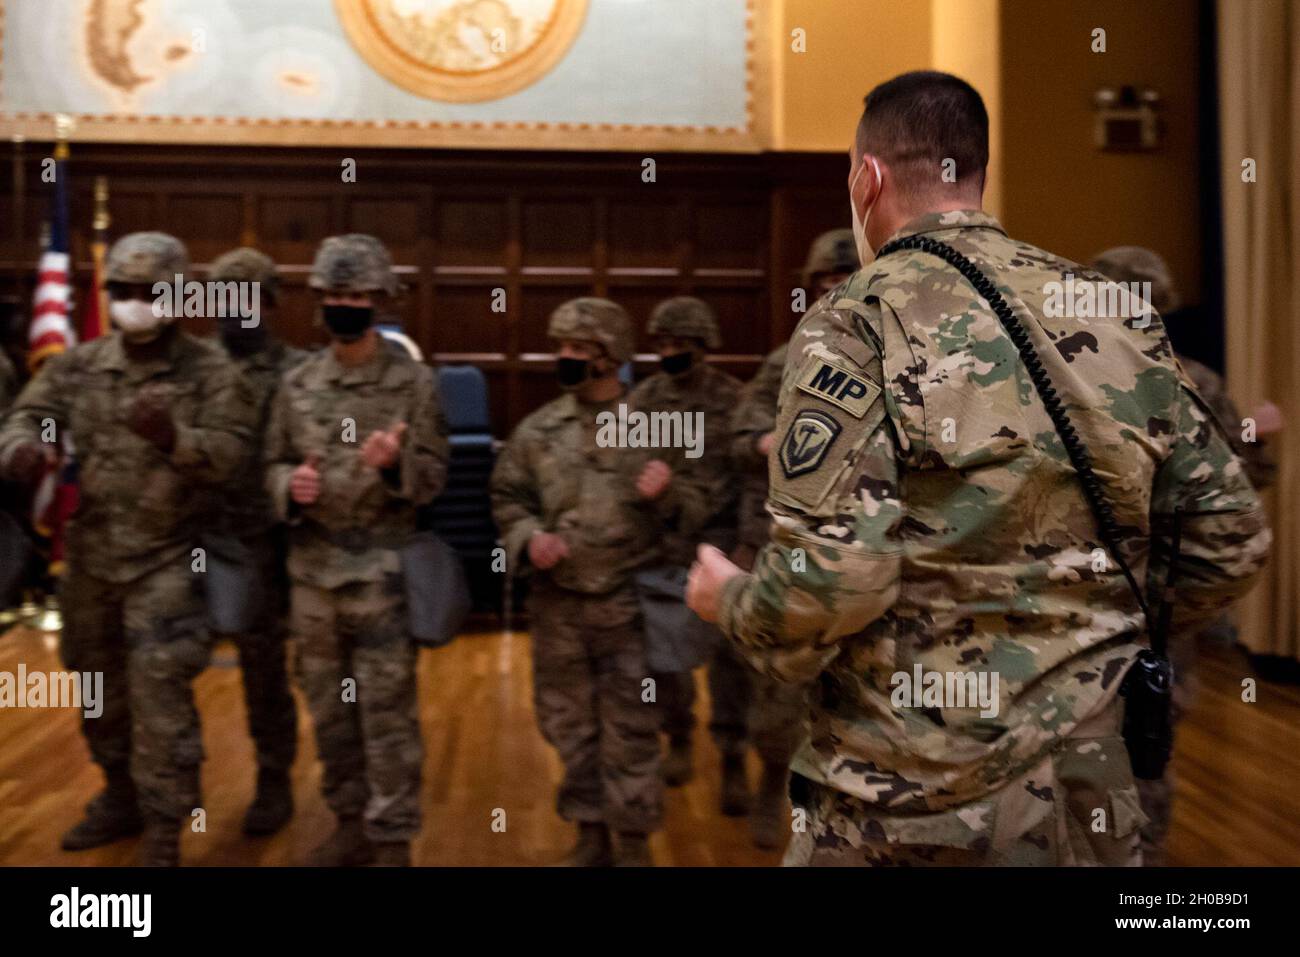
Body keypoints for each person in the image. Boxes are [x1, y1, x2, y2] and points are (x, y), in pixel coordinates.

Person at [687, 70, 1272, 866]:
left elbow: (832, 580)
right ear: (978, 173)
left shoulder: (856, 320)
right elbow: (1229, 539)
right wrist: (1096, 633)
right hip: (1087, 778)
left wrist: (731, 601)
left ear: (868, 178)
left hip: (910, 791)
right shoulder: (1115, 313)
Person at [0, 232, 256, 866]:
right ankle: (118, 795)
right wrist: (25, 450)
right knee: (94, 689)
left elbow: (231, 460)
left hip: (170, 560)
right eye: (123, 291)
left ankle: (166, 829)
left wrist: (174, 438)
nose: (135, 302)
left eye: (150, 292)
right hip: (91, 561)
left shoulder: (212, 372)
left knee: (161, 700)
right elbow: (31, 417)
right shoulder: (80, 365)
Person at [1090, 245, 1281, 865]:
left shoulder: (1060, 377)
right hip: (1154, 605)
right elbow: (1243, 489)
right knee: (1146, 744)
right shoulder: (1195, 380)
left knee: (1110, 746)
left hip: (1091, 603)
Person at [491, 297, 697, 866]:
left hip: (631, 606)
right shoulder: (537, 430)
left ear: (611, 357)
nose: (565, 358)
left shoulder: (658, 427)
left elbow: (700, 512)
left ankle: (632, 843)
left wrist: (670, 495)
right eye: (561, 347)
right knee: (568, 725)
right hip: (558, 608)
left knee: (632, 727)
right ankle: (589, 833)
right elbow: (508, 498)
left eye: (579, 349)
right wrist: (528, 536)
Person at [263, 234, 449, 867]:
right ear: (320, 302)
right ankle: (348, 822)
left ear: (378, 302)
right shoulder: (296, 383)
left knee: (387, 714)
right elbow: (270, 466)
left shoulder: (412, 383)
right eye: (335, 295)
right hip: (312, 579)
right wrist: (292, 485)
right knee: (329, 712)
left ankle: (392, 839)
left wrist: (397, 467)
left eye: (358, 295)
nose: (346, 305)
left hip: (380, 575)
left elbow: (436, 476)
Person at [725, 229, 858, 848]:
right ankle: (769, 783)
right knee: (778, 688)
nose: (836, 293)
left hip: (873, 554)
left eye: (846, 280)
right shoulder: (787, 359)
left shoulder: (908, 354)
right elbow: (741, 426)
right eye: (825, 284)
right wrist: (763, 443)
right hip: (789, 543)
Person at [204, 247, 306, 836]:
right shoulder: (189, 365)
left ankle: (273, 777)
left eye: (245, 296)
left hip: (259, 542)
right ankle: (152, 788)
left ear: (267, 302)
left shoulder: (297, 373)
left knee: (262, 667)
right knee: (156, 665)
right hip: (187, 532)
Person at [627, 297, 742, 798]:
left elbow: (736, 480)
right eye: (663, 345)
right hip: (662, 545)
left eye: (681, 345)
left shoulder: (734, 400)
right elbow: (628, 466)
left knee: (731, 664)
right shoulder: (644, 398)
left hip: (722, 544)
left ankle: (734, 753)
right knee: (666, 656)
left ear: (703, 346)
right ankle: (677, 736)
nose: (670, 352)